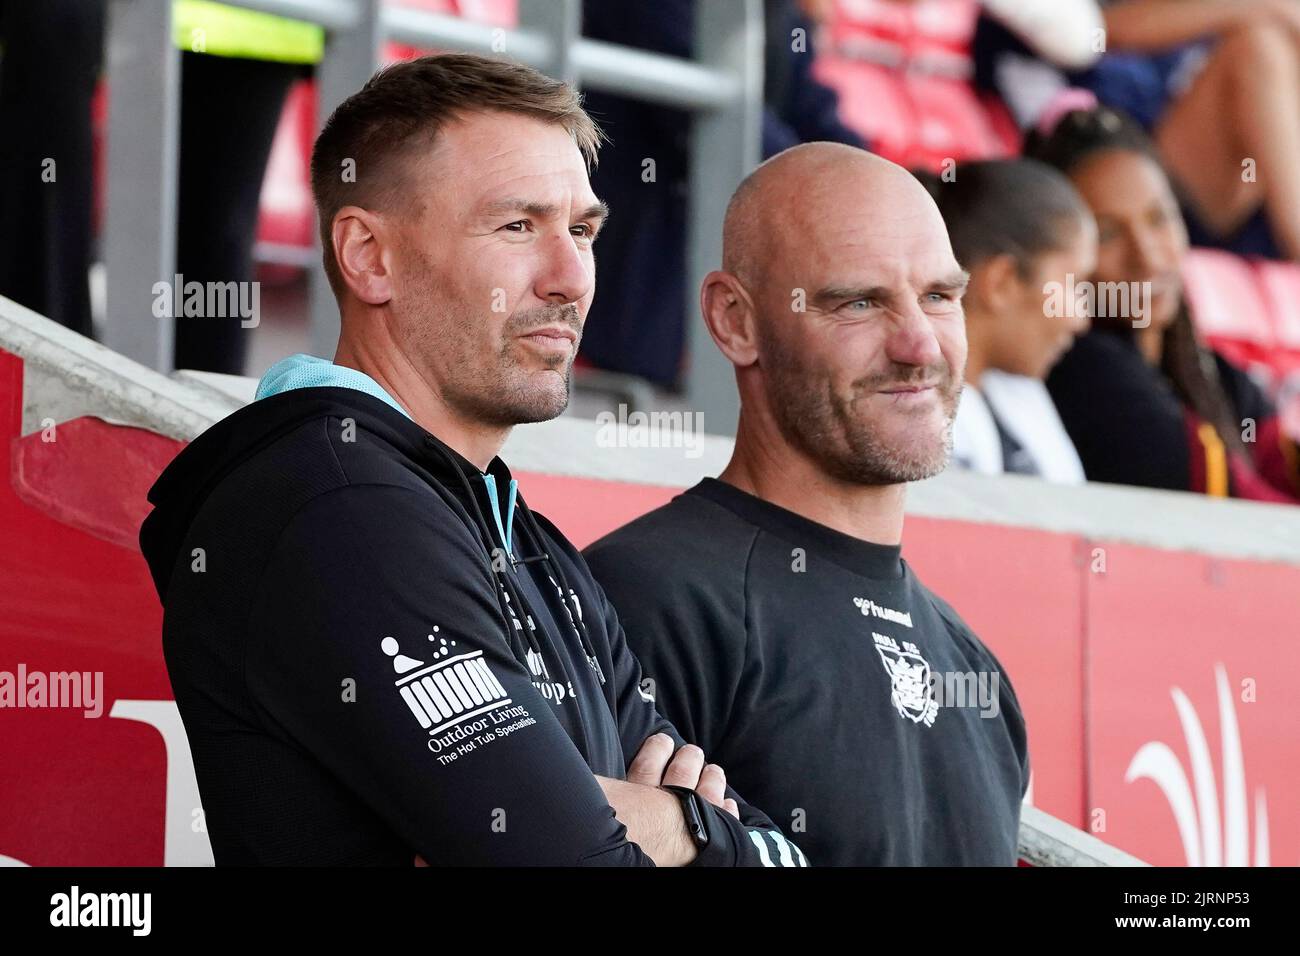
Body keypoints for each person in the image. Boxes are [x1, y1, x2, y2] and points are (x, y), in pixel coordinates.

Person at [139, 53, 804, 867]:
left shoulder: (527, 537)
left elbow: (786, 852)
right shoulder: (338, 508)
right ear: (369, 257)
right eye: (517, 226)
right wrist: (686, 824)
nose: (571, 278)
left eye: (583, 230)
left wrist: (677, 828)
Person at [584, 143, 1031, 866]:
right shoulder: (642, 601)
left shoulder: (972, 666)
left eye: (941, 297)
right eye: (858, 301)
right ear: (736, 321)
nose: (920, 344)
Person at [1026, 106, 1300, 502]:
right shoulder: (1087, 368)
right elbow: (1253, 521)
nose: (1148, 256)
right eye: (1107, 234)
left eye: (1159, 219)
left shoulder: (1213, 373)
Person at [923, 159, 1097, 481]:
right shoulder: (914, 413)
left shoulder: (1023, 396)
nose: (1080, 319)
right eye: (1072, 285)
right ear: (1002, 282)